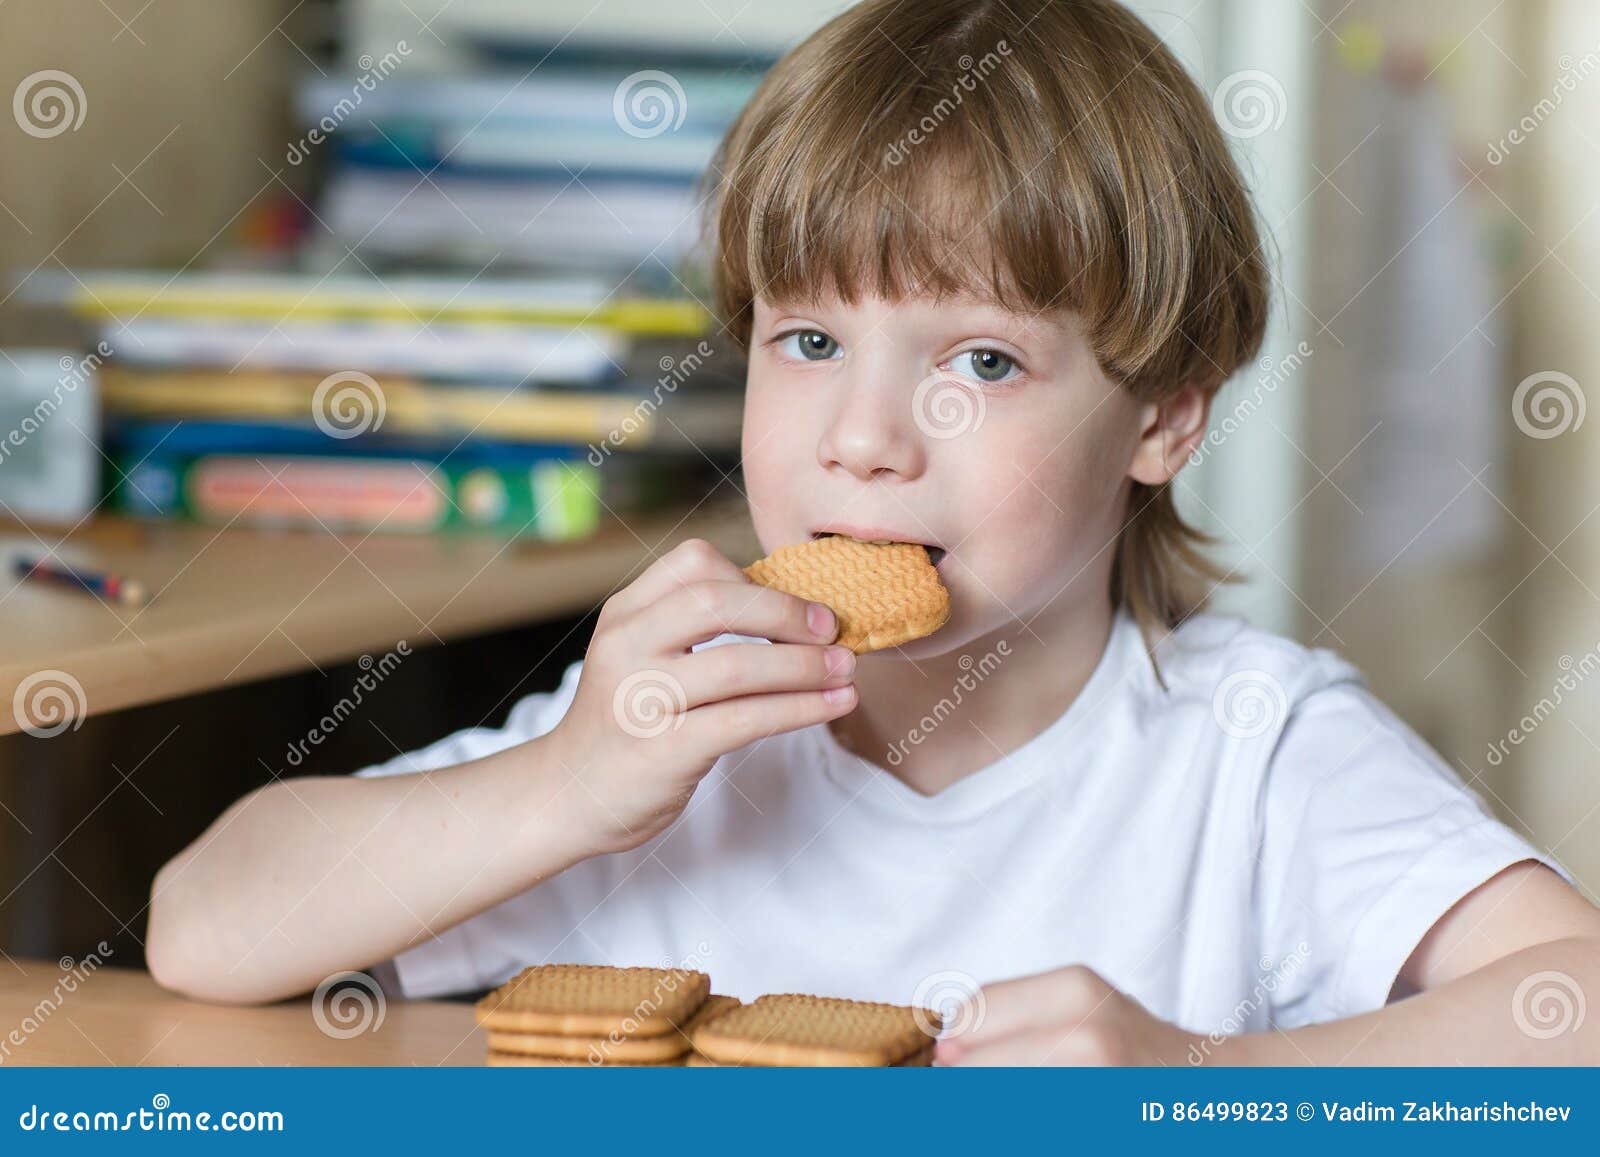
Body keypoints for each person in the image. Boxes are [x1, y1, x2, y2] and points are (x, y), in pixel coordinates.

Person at [148, 0, 1600, 1064]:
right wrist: (564, 783)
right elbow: (201, 927)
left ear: (1161, 418)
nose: (861, 437)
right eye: (808, 340)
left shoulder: (1252, 754)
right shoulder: (671, 739)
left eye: (980, 362)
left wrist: (1197, 1080)